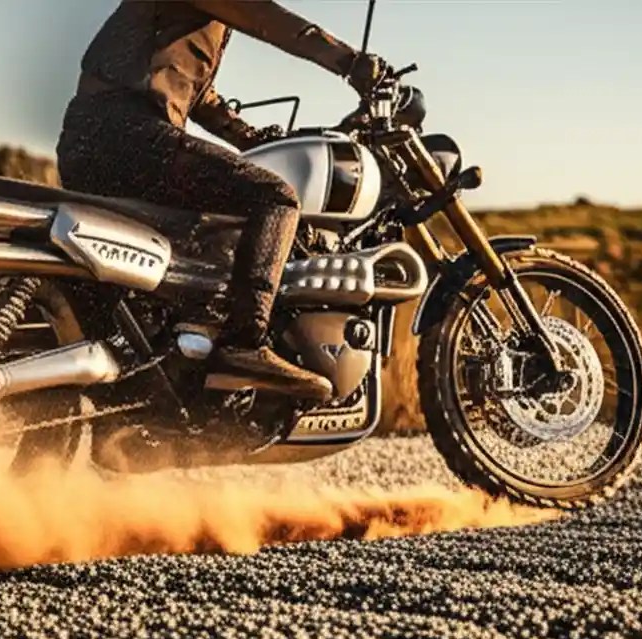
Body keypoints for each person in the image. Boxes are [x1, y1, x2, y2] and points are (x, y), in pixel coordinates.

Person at [56, 0, 391, 401]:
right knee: (274, 199)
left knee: (210, 232)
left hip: (103, 136)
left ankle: (174, 358)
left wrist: (247, 136)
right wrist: (347, 61)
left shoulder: (190, 24)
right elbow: (263, 18)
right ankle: (243, 344)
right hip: (123, 133)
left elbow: (192, 90)